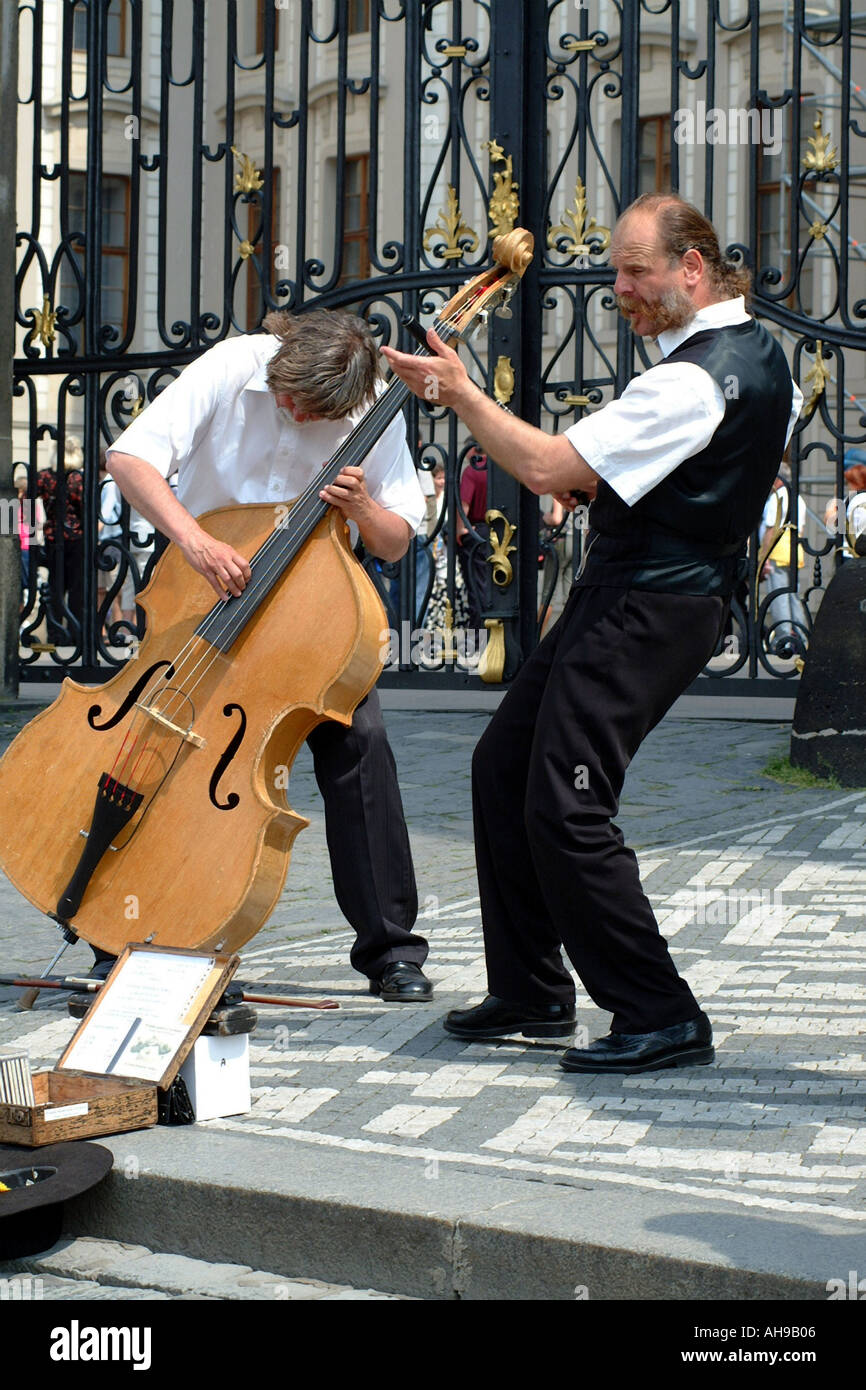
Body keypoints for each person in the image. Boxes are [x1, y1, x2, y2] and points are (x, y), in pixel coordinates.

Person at [383, 192, 803, 1072]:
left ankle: (659, 1010)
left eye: (636, 271)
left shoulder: (690, 377)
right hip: (649, 588)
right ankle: (532, 990)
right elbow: (699, 476)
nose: (621, 289)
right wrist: (608, 488)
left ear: (693, 267)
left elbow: (544, 464)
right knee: (504, 763)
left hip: (648, 606)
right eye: (617, 271)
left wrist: (460, 392)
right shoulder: (761, 353)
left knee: (567, 802)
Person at [105, 308, 432, 1002]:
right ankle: (124, 930)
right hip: (199, 585)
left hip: (314, 607)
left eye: (308, 410)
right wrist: (194, 540)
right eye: (285, 394)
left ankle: (391, 950)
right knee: (163, 749)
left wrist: (366, 508)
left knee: (360, 741)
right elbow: (130, 459)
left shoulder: (372, 405)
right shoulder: (234, 365)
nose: (288, 408)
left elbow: (396, 538)